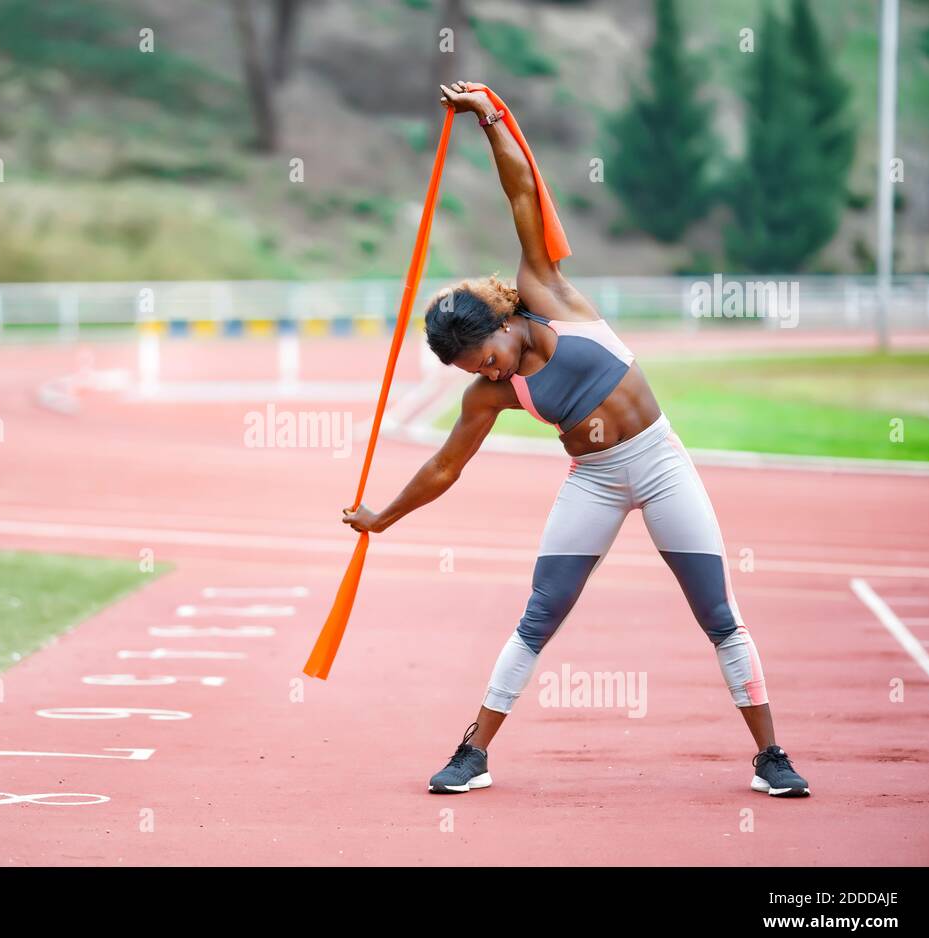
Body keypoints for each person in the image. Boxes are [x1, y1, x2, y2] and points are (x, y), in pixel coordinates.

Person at [341, 82, 810, 798]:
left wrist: (490, 116)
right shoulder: (490, 395)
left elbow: (521, 188)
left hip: (659, 464)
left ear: (501, 317)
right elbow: (444, 467)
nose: (487, 371)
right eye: (473, 371)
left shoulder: (548, 293)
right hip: (593, 480)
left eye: (486, 356)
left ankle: (771, 756)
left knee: (717, 612)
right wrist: (384, 516)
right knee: (539, 615)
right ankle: (474, 753)